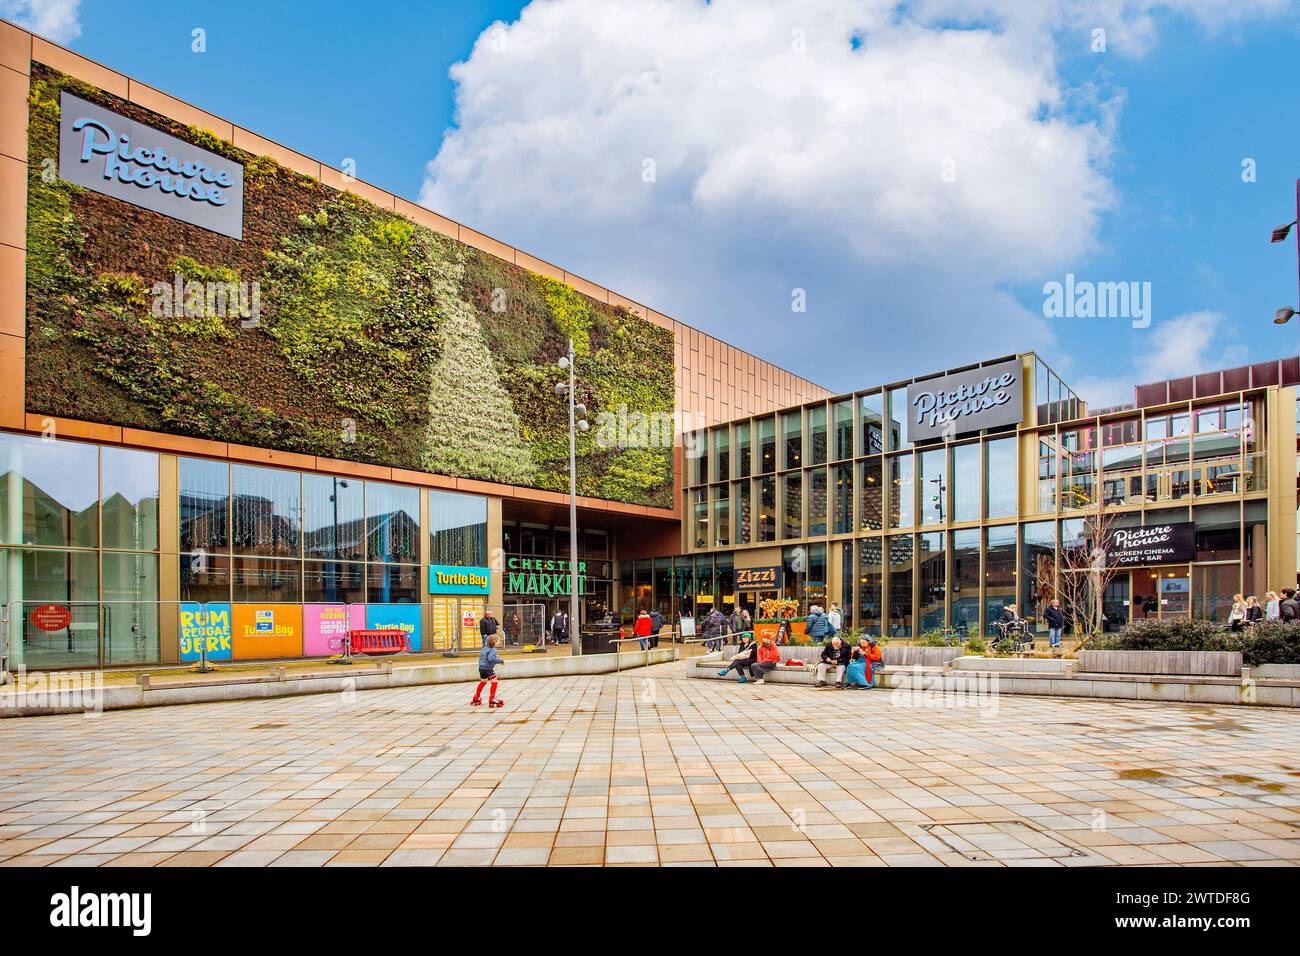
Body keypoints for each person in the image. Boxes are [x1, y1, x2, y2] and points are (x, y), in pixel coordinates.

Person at [471, 634, 505, 708]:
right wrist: (500, 660)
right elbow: (491, 659)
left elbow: (485, 657)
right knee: (494, 682)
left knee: (483, 681)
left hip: (481, 668)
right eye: (498, 641)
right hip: (488, 669)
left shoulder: (484, 648)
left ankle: (476, 697)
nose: (499, 642)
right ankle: (492, 698)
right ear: (494, 642)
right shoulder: (493, 650)